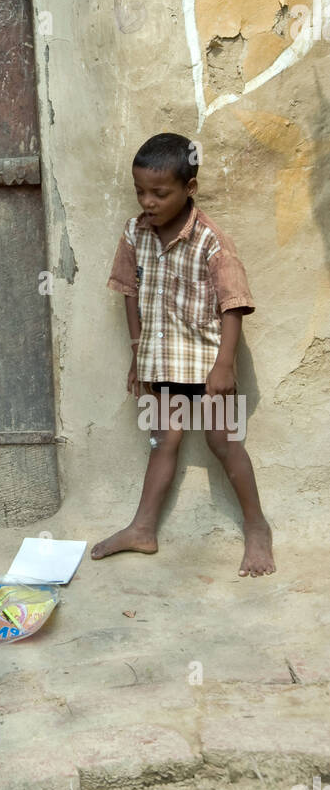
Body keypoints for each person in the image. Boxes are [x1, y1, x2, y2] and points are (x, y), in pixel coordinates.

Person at [92, 133, 274, 577]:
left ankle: (257, 528)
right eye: (140, 191)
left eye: (159, 192)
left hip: (209, 363)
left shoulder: (212, 240)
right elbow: (129, 293)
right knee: (164, 441)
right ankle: (143, 528)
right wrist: (138, 354)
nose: (147, 202)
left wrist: (225, 365)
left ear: (189, 188)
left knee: (223, 442)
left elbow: (233, 303)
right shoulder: (135, 233)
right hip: (163, 360)